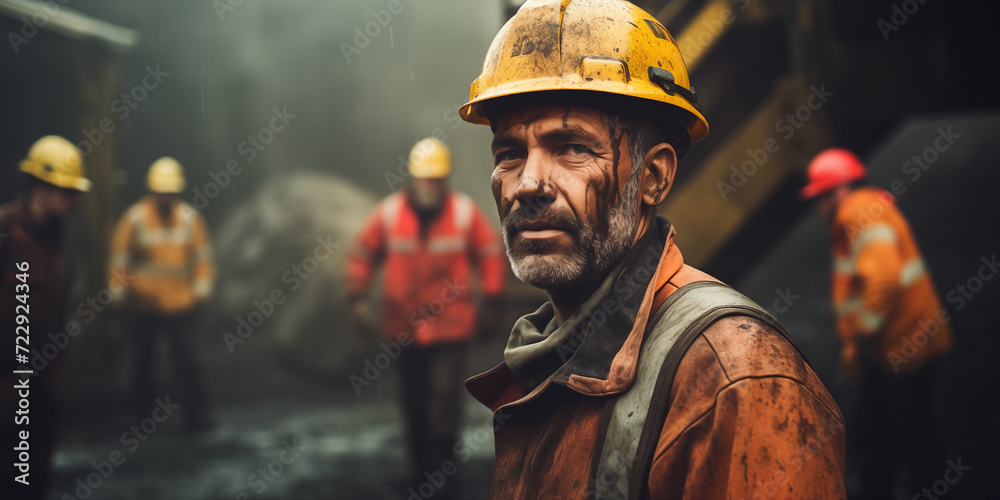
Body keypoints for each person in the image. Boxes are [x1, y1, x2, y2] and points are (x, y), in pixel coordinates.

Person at [456, 0, 846, 498]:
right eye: (510, 153)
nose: (527, 183)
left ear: (654, 177)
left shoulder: (738, 377)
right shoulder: (552, 352)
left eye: (572, 147)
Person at [346, 137, 506, 493]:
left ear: (444, 179)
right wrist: (357, 298)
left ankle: (446, 475)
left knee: (445, 399)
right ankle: (420, 472)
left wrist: (493, 301)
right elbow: (362, 255)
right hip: (402, 327)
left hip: (450, 326)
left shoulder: (464, 213)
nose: (428, 187)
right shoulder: (388, 214)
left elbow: (490, 256)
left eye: (435, 179)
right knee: (413, 400)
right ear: (412, 179)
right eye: (423, 179)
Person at [802, 148, 952, 499]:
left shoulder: (860, 216)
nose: (817, 208)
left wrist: (862, 334)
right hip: (901, 349)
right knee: (883, 437)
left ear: (836, 191)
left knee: (910, 441)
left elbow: (882, 283)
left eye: (819, 198)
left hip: (903, 352)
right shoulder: (866, 211)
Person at [1, 136, 90, 499]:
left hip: (44, 385)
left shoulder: (59, 240)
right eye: (67, 192)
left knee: (36, 479)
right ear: (40, 188)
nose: (73, 201)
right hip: (6, 385)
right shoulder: (4, 231)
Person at [108, 156, 215, 431]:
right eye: (161, 192)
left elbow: (202, 258)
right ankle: (143, 417)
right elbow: (120, 258)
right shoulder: (135, 218)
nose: (166, 198)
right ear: (152, 192)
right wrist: (117, 293)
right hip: (144, 303)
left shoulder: (190, 219)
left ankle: (196, 414)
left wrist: (200, 290)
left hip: (180, 303)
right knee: (143, 361)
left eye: (170, 192)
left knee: (187, 359)